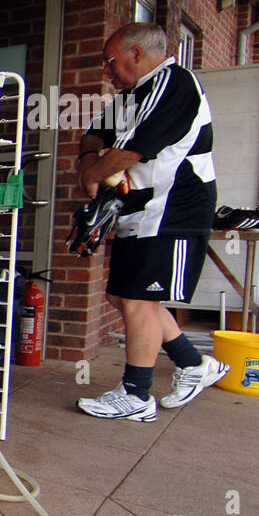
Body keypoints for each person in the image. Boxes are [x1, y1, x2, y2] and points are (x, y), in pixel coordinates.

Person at [75, 22, 227, 421]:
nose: (107, 71)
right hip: (141, 212)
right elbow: (93, 137)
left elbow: (131, 153)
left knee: (140, 299)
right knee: (122, 296)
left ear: (137, 54)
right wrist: (90, 164)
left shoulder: (174, 84)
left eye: (111, 61)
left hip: (174, 211)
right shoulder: (133, 95)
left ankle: (136, 395)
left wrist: (92, 176)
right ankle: (194, 365)